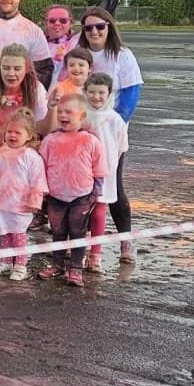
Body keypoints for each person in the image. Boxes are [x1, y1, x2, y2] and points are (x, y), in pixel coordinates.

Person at [0, 42, 50, 248]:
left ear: (26, 69)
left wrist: (22, 151)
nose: (11, 73)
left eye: (17, 68)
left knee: (17, 183)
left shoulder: (36, 90)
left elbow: (39, 126)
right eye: (6, 68)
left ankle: (19, 231)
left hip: (22, 146)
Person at [37, 93, 111, 287]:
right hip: (56, 196)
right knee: (58, 231)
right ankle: (57, 265)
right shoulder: (50, 140)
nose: (63, 115)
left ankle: (76, 268)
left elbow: (99, 169)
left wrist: (96, 192)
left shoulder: (91, 141)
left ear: (82, 116)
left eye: (69, 112)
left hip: (82, 196)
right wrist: (41, 192)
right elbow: (41, 167)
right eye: (60, 111)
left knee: (78, 232)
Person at [0, 113, 47, 281]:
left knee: (18, 235)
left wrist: (35, 201)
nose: (12, 135)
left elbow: (38, 180)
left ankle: (20, 265)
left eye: (17, 133)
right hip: (2, 203)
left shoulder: (31, 156)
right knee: (5, 233)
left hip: (21, 205)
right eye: (9, 132)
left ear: (29, 136)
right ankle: (5, 261)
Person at [83, 72, 130, 272]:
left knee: (100, 210)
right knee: (80, 211)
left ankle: (96, 254)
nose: (96, 97)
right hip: (82, 171)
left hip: (105, 172)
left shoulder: (115, 119)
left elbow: (121, 146)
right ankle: (77, 250)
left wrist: (109, 166)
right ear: (85, 92)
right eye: (92, 92)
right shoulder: (81, 115)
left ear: (109, 94)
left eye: (101, 93)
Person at [43, 0, 125, 80]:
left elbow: (100, 13)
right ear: (45, 23)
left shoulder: (77, 41)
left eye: (63, 21)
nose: (57, 24)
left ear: (71, 23)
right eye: (52, 21)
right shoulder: (39, 44)